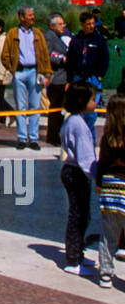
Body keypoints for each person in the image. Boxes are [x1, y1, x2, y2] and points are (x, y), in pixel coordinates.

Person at [1, 5, 52, 150]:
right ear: (21, 17)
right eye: (30, 15)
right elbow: (5, 55)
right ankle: (22, 138)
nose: (32, 18)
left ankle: (34, 138)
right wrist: (13, 70)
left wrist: (46, 73)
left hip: (35, 72)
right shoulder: (12, 34)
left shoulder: (38, 34)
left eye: (33, 15)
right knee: (21, 107)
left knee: (35, 107)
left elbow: (44, 54)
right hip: (20, 72)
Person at [59, 82, 97, 276]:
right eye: (92, 98)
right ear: (82, 101)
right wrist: (96, 176)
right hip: (77, 172)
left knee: (82, 214)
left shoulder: (71, 120)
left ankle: (77, 252)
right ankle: (73, 258)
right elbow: (86, 157)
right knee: (78, 215)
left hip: (71, 169)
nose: (96, 102)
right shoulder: (79, 125)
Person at [95, 92, 125, 288]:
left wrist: (99, 184)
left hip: (110, 189)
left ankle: (106, 273)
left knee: (108, 234)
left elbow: (102, 164)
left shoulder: (107, 138)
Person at [65, 10, 109, 139]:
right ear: (82, 24)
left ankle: (89, 137)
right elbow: (71, 60)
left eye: (92, 23)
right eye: (88, 24)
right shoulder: (76, 40)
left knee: (91, 112)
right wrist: (70, 79)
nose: (91, 26)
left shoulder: (99, 40)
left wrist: (99, 75)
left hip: (93, 79)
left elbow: (104, 59)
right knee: (79, 109)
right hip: (78, 78)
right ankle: (81, 136)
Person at [43, 12, 72, 147]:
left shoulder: (62, 36)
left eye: (63, 24)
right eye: (60, 24)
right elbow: (47, 55)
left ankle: (58, 135)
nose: (63, 26)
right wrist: (62, 59)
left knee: (61, 109)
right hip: (56, 79)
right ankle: (53, 137)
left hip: (64, 77)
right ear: (52, 25)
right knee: (56, 109)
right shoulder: (49, 37)